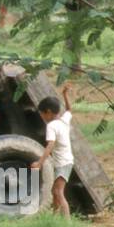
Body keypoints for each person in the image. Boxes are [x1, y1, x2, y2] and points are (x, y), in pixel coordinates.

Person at [33, 84, 74, 217]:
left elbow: (50, 145)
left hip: (62, 162)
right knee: (55, 191)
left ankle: (67, 222)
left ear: (48, 112)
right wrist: (65, 95)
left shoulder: (51, 126)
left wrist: (39, 162)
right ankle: (54, 217)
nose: (42, 118)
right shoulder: (63, 121)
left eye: (42, 114)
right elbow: (69, 110)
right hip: (66, 161)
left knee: (58, 192)